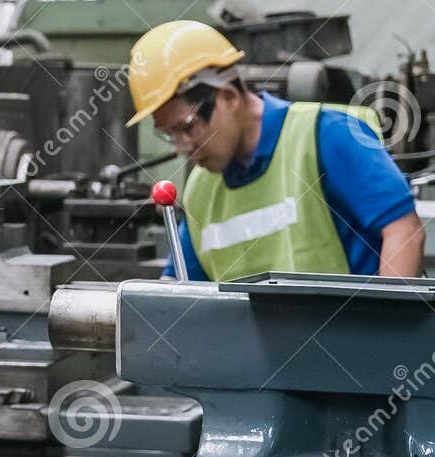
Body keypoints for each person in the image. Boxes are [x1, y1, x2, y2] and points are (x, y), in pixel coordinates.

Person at [128, 20, 422, 280]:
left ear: (228, 97)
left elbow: (403, 230)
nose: (182, 148)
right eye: (169, 135)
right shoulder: (201, 190)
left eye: (187, 127)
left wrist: (386, 331)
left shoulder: (328, 135)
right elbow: (180, 284)